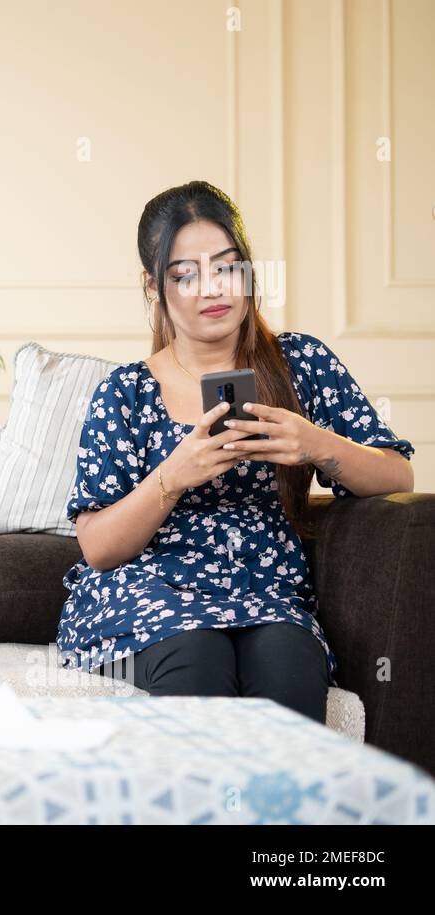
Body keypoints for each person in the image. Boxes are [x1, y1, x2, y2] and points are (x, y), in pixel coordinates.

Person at [58, 179, 415, 723]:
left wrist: (314, 443)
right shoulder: (126, 391)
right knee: (197, 662)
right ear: (153, 286)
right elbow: (99, 549)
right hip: (155, 590)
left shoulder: (302, 363)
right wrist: (173, 477)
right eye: (185, 274)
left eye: (227, 267)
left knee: (289, 673)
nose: (212, 289)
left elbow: (397, 479)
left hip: (268, 592)